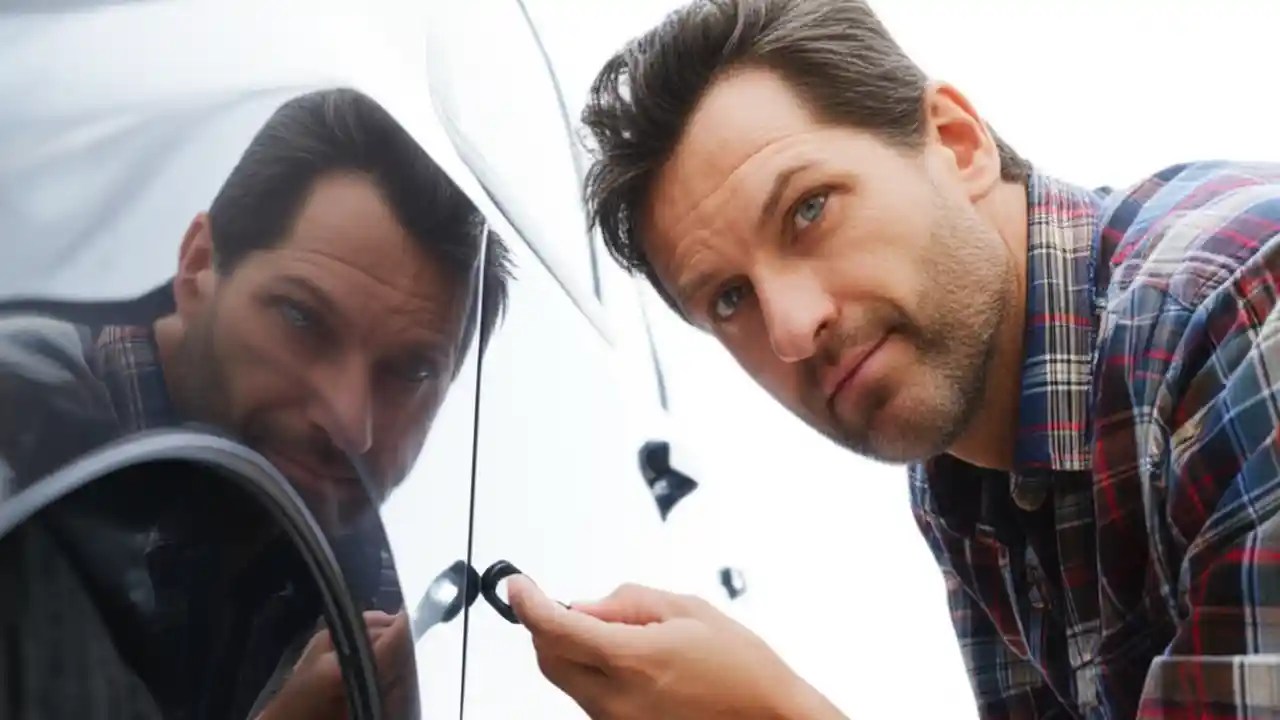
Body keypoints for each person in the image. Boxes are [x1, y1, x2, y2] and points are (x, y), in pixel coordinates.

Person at [505, 0, 1280, 718]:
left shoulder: (1242, 315)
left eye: (810, 209)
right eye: (731, 298)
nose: (794, 329)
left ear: (956, 143)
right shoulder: (955, 471)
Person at [0, 86, 511, 719]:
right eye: (302, 319)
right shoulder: (25, 454)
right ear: (197, 266)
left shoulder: (373, 608)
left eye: (409, 371)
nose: (349, 422)